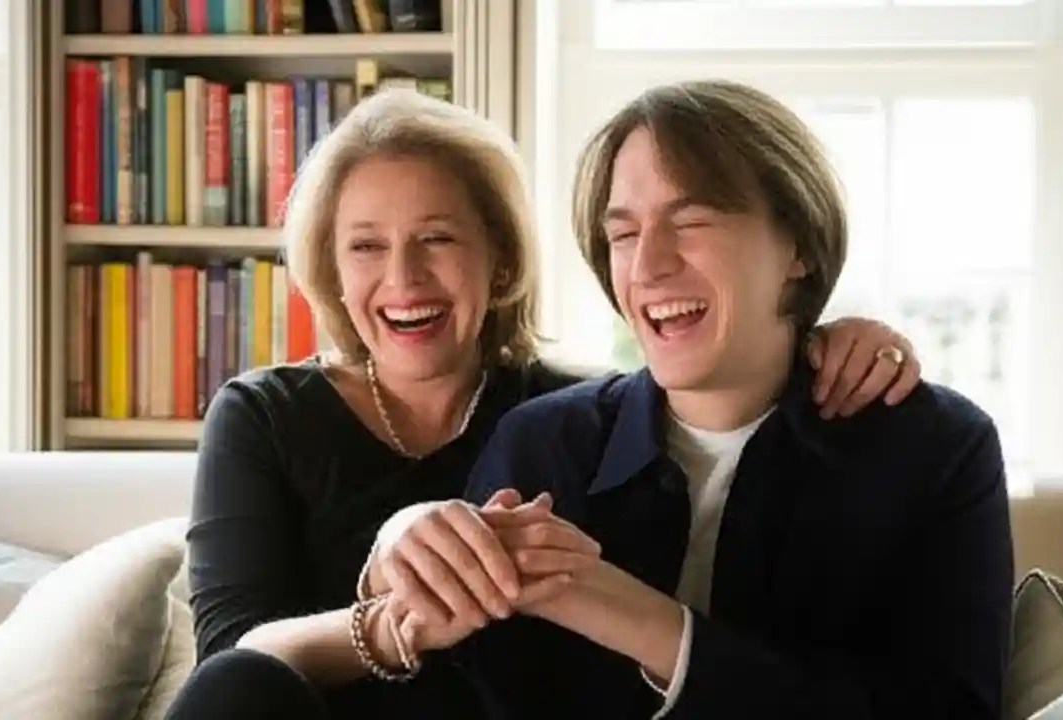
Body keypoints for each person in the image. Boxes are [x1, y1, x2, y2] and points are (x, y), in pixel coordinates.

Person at [165, 88, 925, 719]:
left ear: (499, 259)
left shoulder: (570, 420)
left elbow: (718, 365)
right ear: (330, 269)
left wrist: (824, 333)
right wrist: (397, 617)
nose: (405, 278)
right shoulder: (262, 416)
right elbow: (232, 661)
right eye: (365, 246)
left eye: (436, 238)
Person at [372, 81, 1014, 719]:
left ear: (796, 246)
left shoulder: (937, 449)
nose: (648, 265)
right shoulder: (542, 442)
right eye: (623, 235)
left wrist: (645, 623)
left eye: (692, 221)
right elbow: (450, 688)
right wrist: (402, 551)